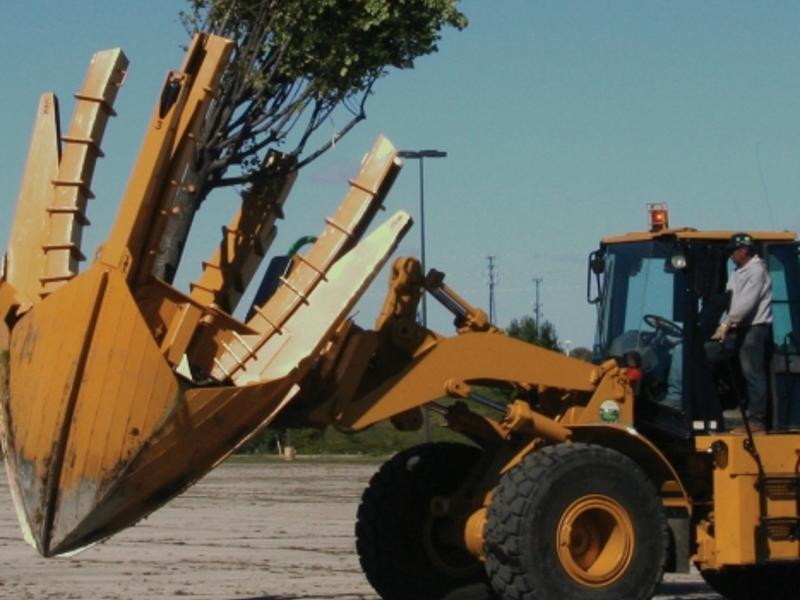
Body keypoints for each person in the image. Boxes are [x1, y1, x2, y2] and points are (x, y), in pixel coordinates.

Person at [710, 232, 773, 431]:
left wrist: (727, 323)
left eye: (733, 251)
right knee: (710, 354)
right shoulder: (739, 272)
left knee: (752, 372)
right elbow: (731, 300)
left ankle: (756, 419)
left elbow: (747, 302)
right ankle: (733, 404)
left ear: (744, 250)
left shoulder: (756, 271)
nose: (730, 255)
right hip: (738, 327)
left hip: (754, 328)